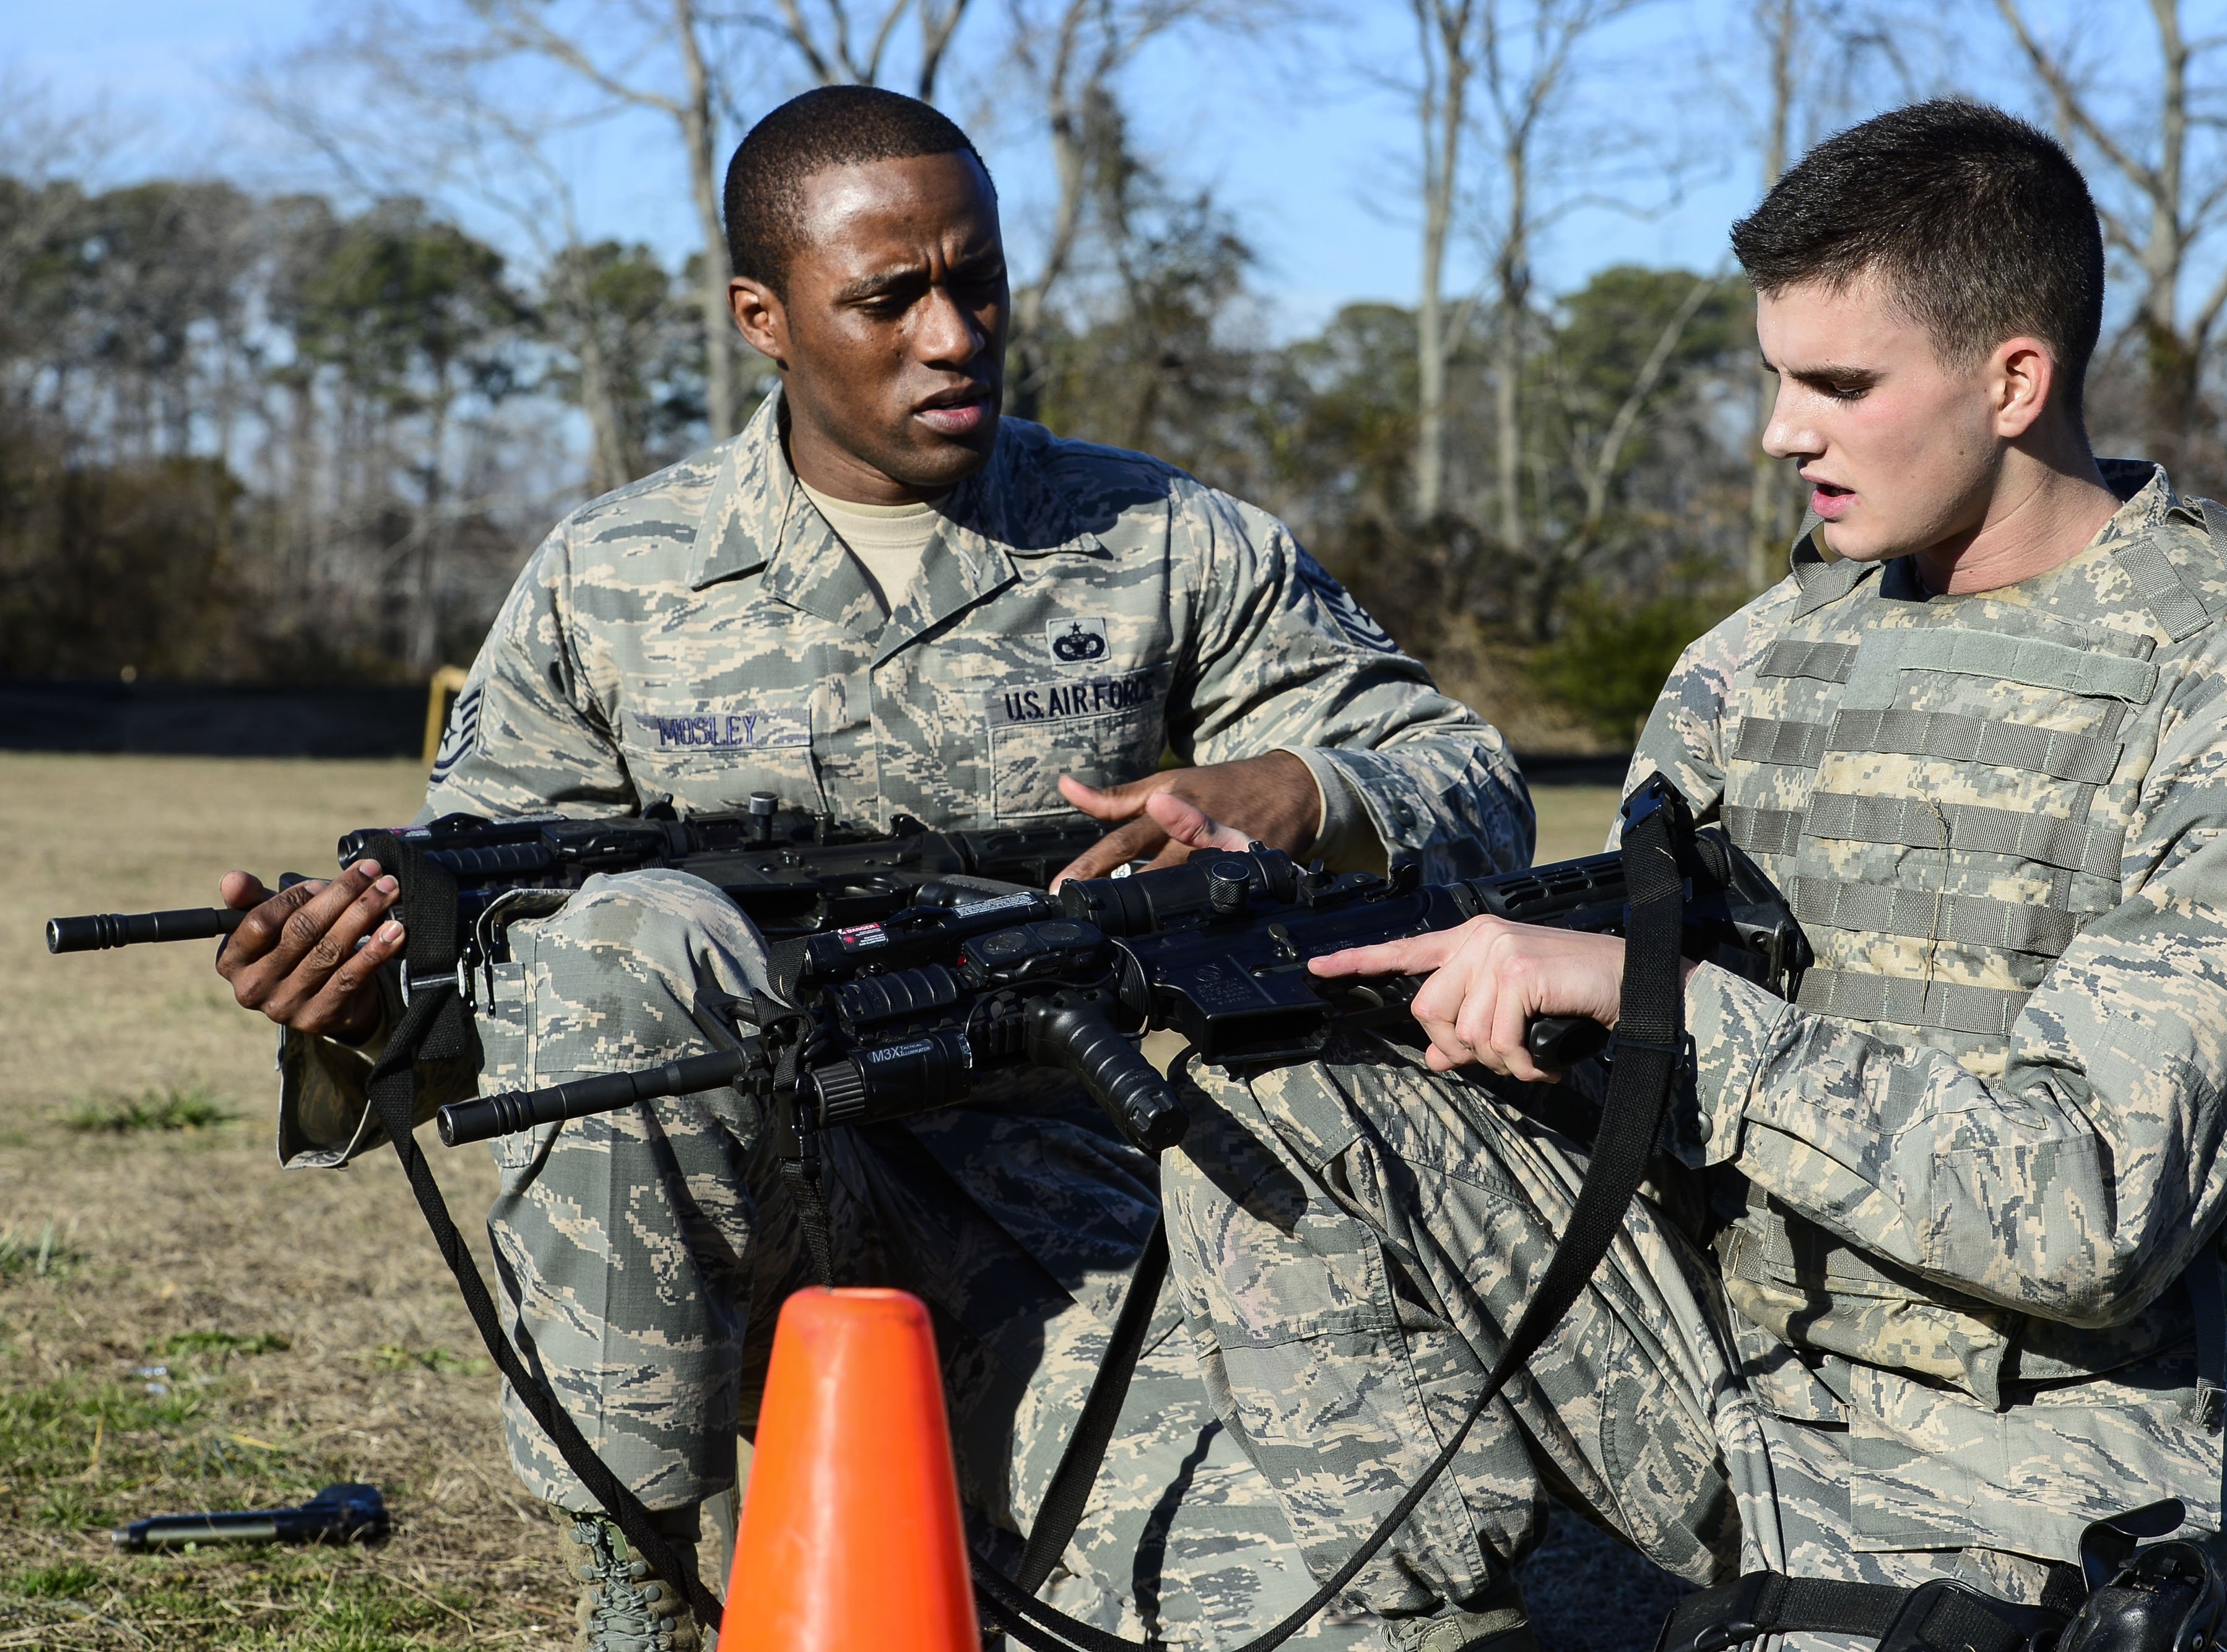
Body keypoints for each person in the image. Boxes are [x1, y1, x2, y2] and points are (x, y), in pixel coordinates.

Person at [211, 86, 1532, 1652]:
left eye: (977, 282)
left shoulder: (1171, 544)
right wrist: (362, 1000)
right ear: (763, 317)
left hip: (1087, 1200)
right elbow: (499, 929)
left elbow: (1472, 785)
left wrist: (1303, 786)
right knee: (624, 932)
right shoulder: (612, 579)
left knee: (1340, 1610)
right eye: (889, 298)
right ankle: (635, 1594)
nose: (953, 333)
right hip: (741, 1197)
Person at [1153, 100, 2227, 1650]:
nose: (1779, 432)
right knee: (1285, 1088)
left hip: (2026, 1445)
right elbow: (1633, 1056)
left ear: (2017, 378)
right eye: (1775, 377)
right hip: (1713, 1352)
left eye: (1839, 384)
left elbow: (2091, 1213)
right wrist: (1410, 981)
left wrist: (1667, 1013)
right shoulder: (1753, 668)